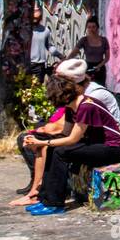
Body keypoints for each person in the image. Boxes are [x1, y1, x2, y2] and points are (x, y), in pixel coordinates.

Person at [25, 71, 120, 216]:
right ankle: (45, 198)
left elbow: (72, 139)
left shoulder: (86, 106)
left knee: (61, 152)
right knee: (52, 149)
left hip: (113, 149)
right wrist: (37, 137)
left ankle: (55, 203)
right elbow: (65, 134)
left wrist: (44, 141)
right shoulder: (71, 107)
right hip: (95, 144)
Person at [12, 74, 72, 207]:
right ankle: (36, 186)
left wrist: (43, 140)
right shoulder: (70, 103)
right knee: (29, 138)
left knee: (43, 145)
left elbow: (67, 131)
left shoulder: (79, 102)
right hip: (71, 136)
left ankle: (38, 190)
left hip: (97, 143)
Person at [70, 15, 110, 86]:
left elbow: (107, 57)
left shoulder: (104, 40)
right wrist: (65, 60)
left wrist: (99, 66)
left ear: (97, 28)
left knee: (100, 89)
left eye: (93, 27)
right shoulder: (84, 40)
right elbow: (74, 52)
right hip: (88, 67)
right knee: (86, 88)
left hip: (100, 68)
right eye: (89, 27)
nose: (91, 29)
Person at [28, 6, 57, 81]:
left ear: (40, 17)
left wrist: (60, 56)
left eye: (37, 18)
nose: (35, 20)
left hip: (39, 66)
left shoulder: (45, 30)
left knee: (37, 89)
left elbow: (50, 46)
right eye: (33, 18)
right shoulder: (25, 29)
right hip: (26, 64)